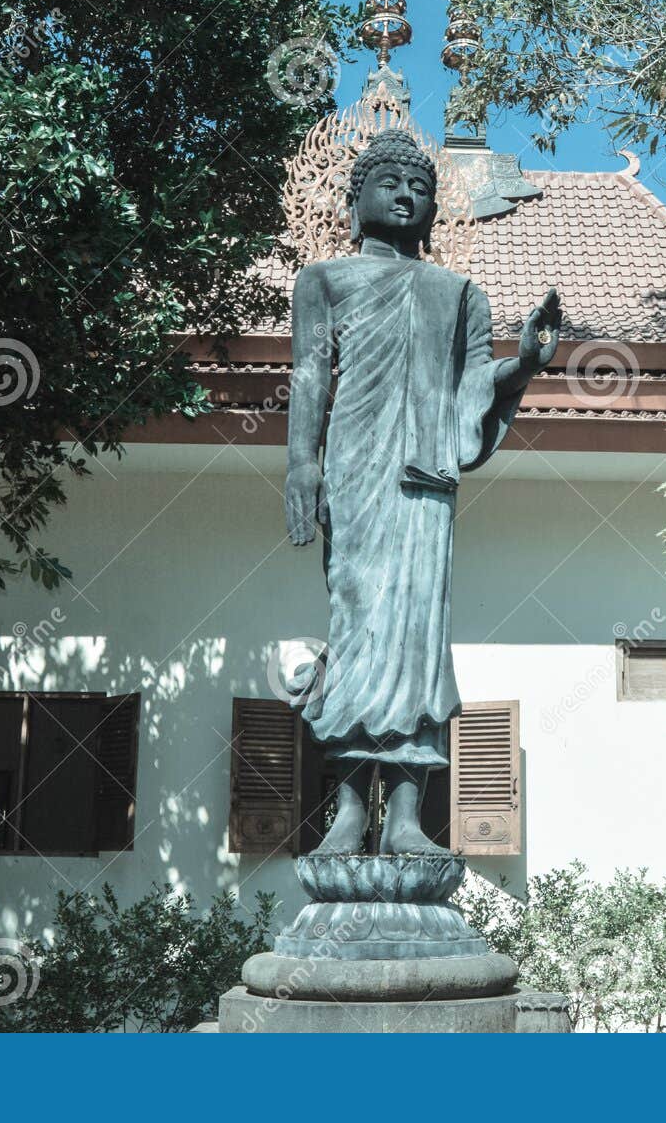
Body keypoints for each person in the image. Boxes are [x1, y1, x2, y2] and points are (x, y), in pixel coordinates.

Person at [284, 129, 561, 854]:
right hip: (354, 472)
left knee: (417, 636)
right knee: (356, 629)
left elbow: (476, 383)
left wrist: (526, 362)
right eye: (392, 184)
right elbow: (311, 378)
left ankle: (407, 816)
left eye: (422, 188)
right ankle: (347, 812)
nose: (409, 195)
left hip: (426, 480)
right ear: (355, 199)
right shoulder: (324, 281)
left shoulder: (459, 293)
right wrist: (300, 467)